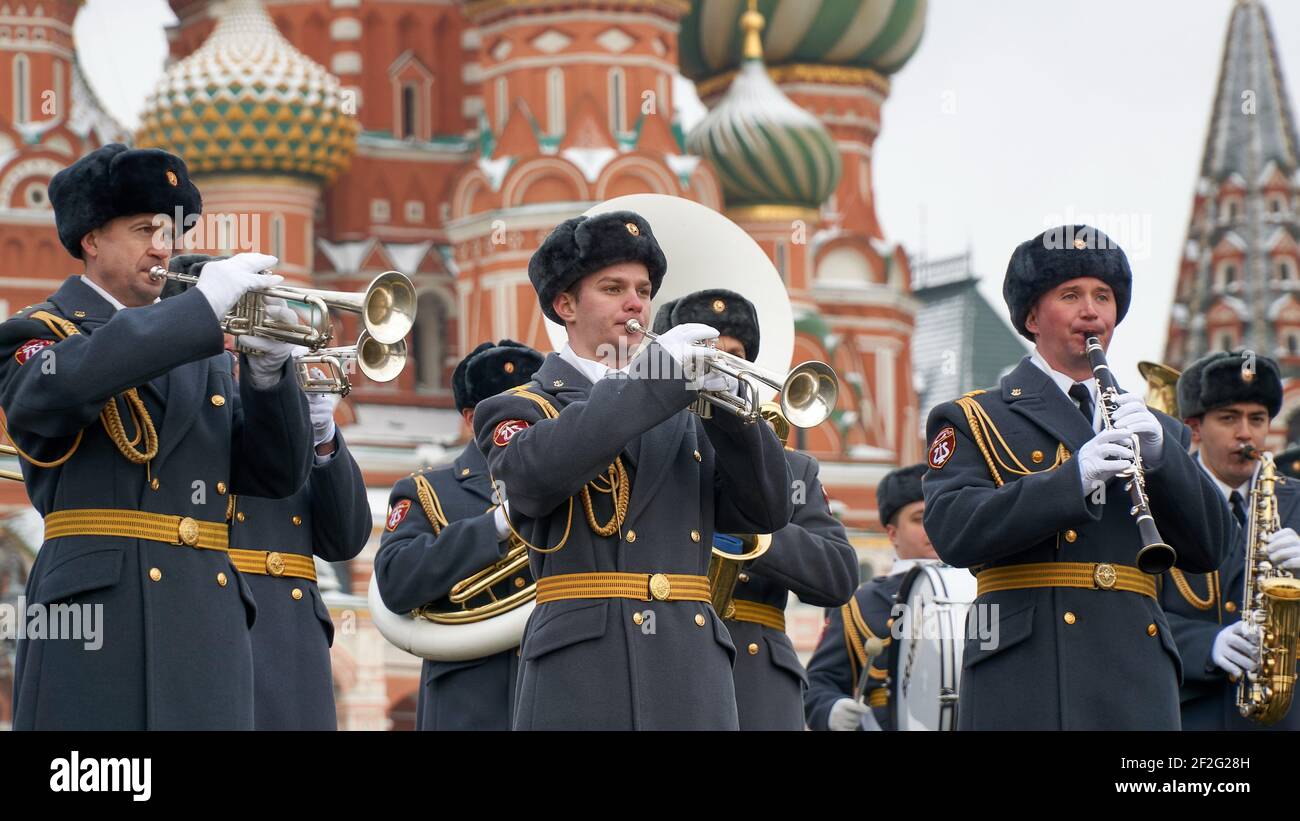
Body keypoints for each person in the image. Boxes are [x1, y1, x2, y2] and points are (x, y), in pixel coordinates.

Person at [0, 144, 313, 729]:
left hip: (205, 622)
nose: (163, 247)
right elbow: (60, 389)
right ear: (92, 239)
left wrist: (271, 377)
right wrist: (199, 310)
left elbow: (273, 475)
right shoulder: (38, 332)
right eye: (144, 228)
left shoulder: (202, 353)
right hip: (98, 622)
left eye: (172, 231)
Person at [472, 210, 793, 730]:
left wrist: (738, 418)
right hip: (585, 675)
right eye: (613, 287)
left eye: (643, 289)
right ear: (565, 304)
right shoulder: (519, 407)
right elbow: (531, 482)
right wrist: (655, 382)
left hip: (691, 673)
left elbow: (767, 510)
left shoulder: (688, 411)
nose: (635, 303)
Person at [921, 224, 1232, 730]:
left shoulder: (1158, 429)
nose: (1092, 312)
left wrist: (1164, 460)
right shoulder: (974, 417)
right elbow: (955, 532)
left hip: (1137, 672)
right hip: (1028, 673)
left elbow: (1211, 547)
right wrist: (1073, 479)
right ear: (1031, 317)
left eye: (1103, 297)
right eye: (1071, 295)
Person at [653, 289, 856, 730]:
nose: (723, 364)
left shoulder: (791, 468)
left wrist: (753, 528)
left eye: (737, 355)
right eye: (708, 354)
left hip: (757, 678)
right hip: (665, 658)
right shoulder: (653, 454)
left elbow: (838, 576)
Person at [375, 340, 544, 730]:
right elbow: (396, 581)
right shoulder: (428, 491)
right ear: (471, 418)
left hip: (556, 688)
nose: (520, 422)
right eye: (504, 410)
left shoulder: (578, 481)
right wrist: (495, 526)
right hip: (469, 702)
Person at [1160, 351, 1300, 730]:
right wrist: (1206, 644)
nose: (1246, 434)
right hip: (1189, 717)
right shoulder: (1159, 501)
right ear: (1194, 428)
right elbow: (1131, 613)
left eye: (1257, 419)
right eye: (1228, 418)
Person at [228, 374, 371, 730]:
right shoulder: (202, 392)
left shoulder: (292, 419)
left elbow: (345, 538)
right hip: (218, 615)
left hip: (291, 633)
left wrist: (323, 438)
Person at [804, 464, 935, 731]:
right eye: (919, 518)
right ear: (892, 534)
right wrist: (832, 708)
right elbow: (819, 682)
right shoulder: (861, 603)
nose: (932, 526)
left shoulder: (983, 590)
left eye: (939, 514)